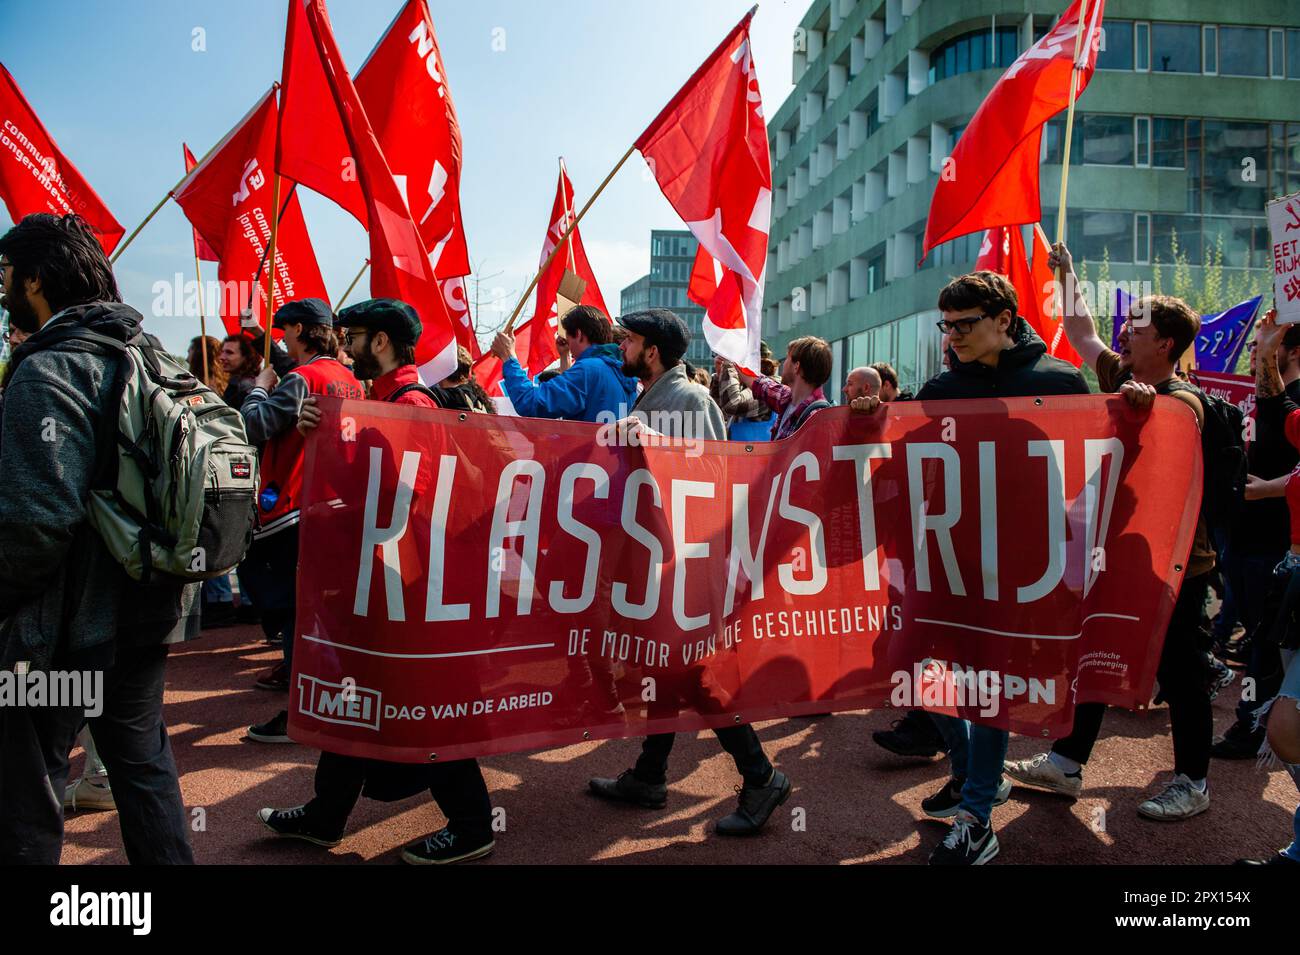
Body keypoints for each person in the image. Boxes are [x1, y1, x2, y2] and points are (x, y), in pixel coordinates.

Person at [854, 269, 1092, 864]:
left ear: (1004, 321)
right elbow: (901, 457)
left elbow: (1097, 458)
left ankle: (977, 813)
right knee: (914, 664)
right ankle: (970, 774)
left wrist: (1138, 409)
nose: (953, 335)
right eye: (947, 325)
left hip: (1023, 562)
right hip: (948, 553)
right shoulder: (938, 390)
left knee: (991, 680)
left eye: (965, 324)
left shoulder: (1061, 382)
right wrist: (867, 419)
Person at [260, 299, 496, 865]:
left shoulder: (409, 403)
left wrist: (335, 452)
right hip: (385, 578)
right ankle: (327, 814)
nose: (345, 347)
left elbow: (405, 497)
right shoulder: (386, 400)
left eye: (355, 336)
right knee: (356, 696)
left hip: (404, 582)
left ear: (383, 341)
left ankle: (472, 822)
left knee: (420, 699)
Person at [0, 212, 196, 864]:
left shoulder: (47, 368)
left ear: (34, 279)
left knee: (30, 788)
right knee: (144, 771)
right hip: (147, 610)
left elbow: (35, 522)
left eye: (4, 272)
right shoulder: (149, 355)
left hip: (59, 634)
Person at [1004, 242, 1217, 827]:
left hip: (1171, 565)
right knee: (1093, 649)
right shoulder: (1119, 376)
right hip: (1112, 554)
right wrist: (1067, 273)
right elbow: (1080, 330)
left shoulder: (1185, 404)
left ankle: (1192, 783)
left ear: (1166, 344)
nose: (1124, 332)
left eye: (1138, 326)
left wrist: (1146, 411)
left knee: (1180, 669)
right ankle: (1068, 765)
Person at [587, 308, 792, 835]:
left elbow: (710, 475)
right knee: (663, 665)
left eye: (630, 341)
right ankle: (651, 776)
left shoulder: (691, 399)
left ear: (652, 351)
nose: (622, 348)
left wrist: (648, 445)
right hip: (656, 556)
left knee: (689, 671)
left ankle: (761, 774)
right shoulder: (651, 396)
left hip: (683, 560)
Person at [239, 298, 365, 741]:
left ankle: (302, 711)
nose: (283, 337)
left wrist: (258, 387)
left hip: (291, 506)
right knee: (314, 611)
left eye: (285, 330)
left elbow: (253, 426)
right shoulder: (350, 379)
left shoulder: (300, 377)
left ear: (299, 330)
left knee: (291, 609)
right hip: (334, 504)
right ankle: (321, 700)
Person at [1210, 321, 1300, 759]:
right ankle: (1254, 720)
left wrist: (1265, 489)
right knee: (1255, 647)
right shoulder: (1272, 400)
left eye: (1268, 344)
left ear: (1294, 351)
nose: (1256, 350)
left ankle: (1253, 725)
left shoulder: (1293, 402)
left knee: (1264, 650)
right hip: (1244, 539)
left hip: (1277, 546)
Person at [490, 305, 636, 423]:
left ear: (578, 334)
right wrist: (565, 355)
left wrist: (509, 358)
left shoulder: (589, 369)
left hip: (586, 458)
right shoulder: (622, 372)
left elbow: (531, 403)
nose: (569, 345)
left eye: (568, 337)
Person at [733, 336, 834, 440]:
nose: (783, 364)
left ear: (796, 366)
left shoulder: (817, 419)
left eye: (787, 358)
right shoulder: (786, 397)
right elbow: (756, 381)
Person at [710, 344, 777, 441]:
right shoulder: (743, 387)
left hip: (755, 454)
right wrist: (720, 377)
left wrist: (729, 365)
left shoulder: (768, 389)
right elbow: (715, 414)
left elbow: (732, 404)